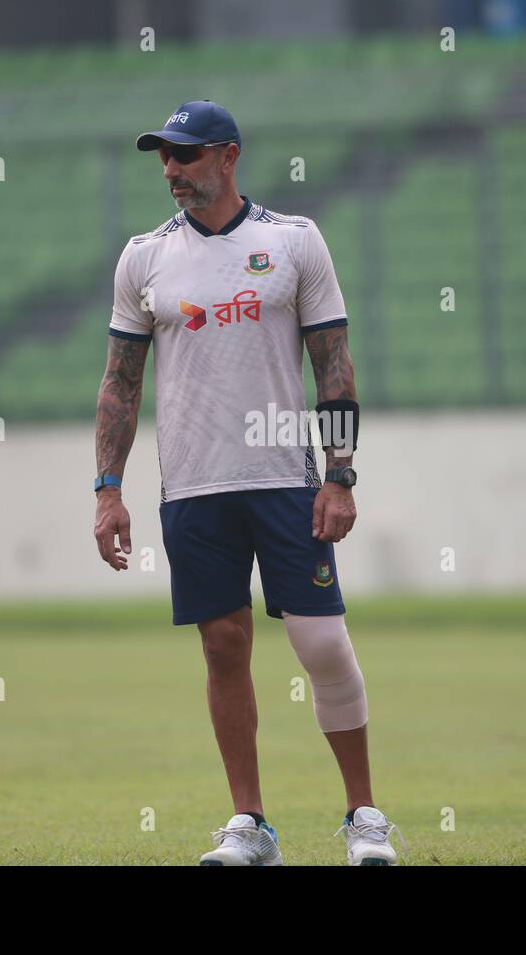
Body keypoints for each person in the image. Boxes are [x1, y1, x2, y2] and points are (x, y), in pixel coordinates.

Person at [93, 100, 402, 865]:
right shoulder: (143, 257)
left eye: (187, 156)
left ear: (228, 156)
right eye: (164, 157)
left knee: (322, 643)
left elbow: (334, 365)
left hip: (285, 481)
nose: (172, 170)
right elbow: (119, 384)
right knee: (223, 647)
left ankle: (364, 818)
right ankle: (251, 825)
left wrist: (340, 477)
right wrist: (107, 488)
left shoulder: (293, 241)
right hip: (193, 487)